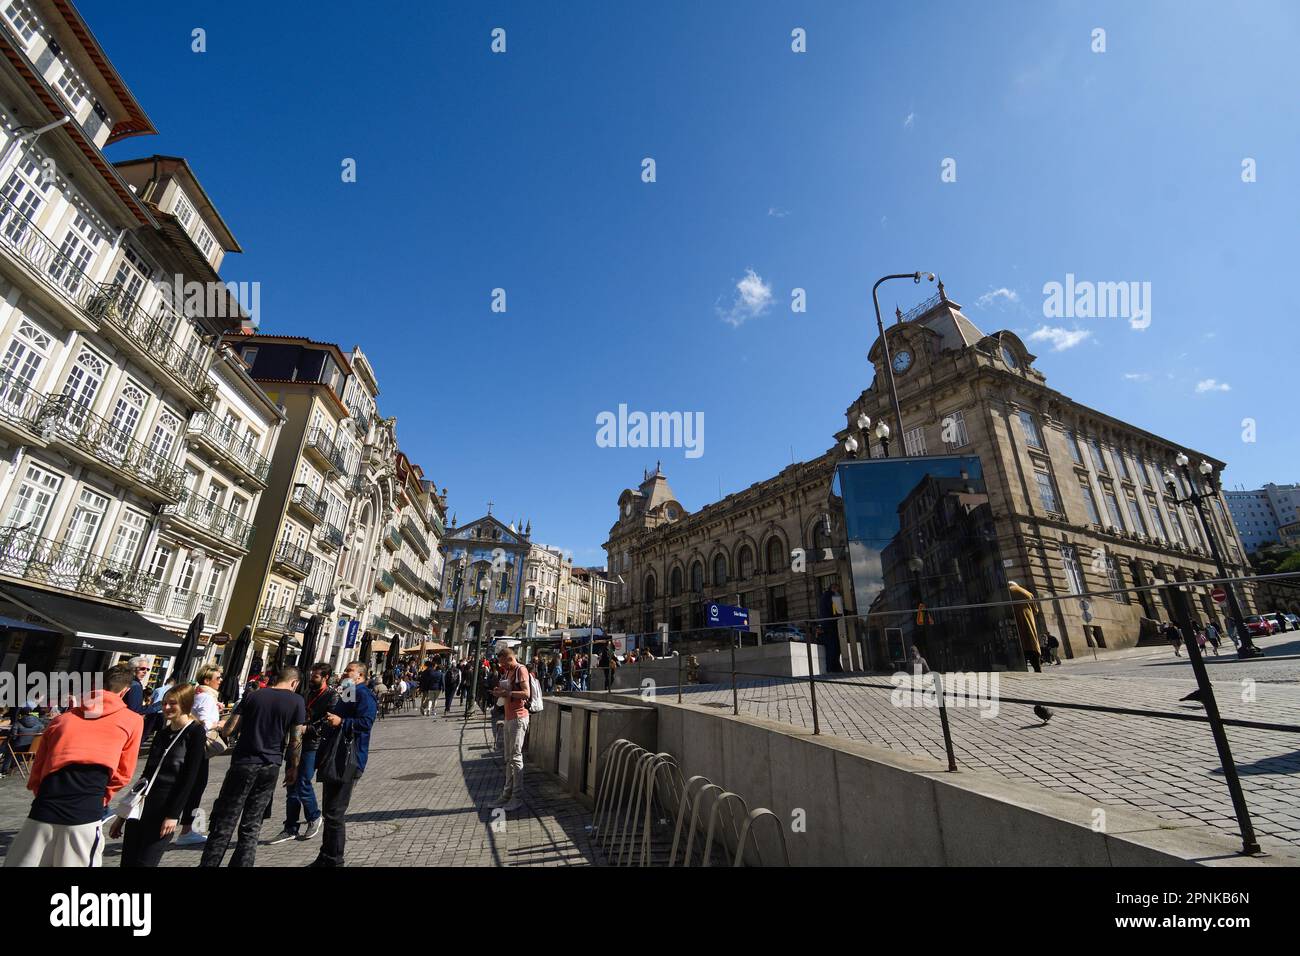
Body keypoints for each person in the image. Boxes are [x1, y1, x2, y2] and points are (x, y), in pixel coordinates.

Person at [4, 664, 142, 868]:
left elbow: (39, 764)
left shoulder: (63, 719)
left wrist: (40, 792)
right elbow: (124, 772)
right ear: (125, 691)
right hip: (87, 801)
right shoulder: (133, 721)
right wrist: (101, 797)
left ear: (97, 685)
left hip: (47, 801)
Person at [199, 667, 306, 868]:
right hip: (271, 765)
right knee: (252, 823)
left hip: (243, 763)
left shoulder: (253, 695)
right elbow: (295, 740)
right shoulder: (296, 701)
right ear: (294, 683)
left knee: (225, 821)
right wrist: (293, 767)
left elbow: (230, 729)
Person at [111, 684, 206, 867]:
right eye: (164, 703)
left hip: (165, 806)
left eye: (172, 703)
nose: (166, 708)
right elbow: (146, 775)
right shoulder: (162, 734)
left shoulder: (195, 732)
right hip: (142, 805)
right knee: (128, 862)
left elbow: (189, 778)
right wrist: (122, 815)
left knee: (146, 862)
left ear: (185, 704)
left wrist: (173, 814)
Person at [309, 660, 377, 867]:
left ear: (361, 677)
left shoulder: (364, 694)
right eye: (346, 669)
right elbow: (341, 712)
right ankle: (325, 856)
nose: (345, 672)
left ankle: (334, 860)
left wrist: (342, 722)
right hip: (334, 755)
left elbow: (366, 722)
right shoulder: (349, 691)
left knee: (335, 812)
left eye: (350, 670)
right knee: (330, 810)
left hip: (349, 758)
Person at [269, 662, 338, 845]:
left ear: (325, 678)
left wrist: (308, 729)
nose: (312, 679)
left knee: (302, 781)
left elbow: (327, 721)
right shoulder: (305, 694)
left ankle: (314, 816)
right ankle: (290, 827)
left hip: (313, 745)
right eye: (311, 675)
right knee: (291, 784)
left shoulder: (332, 696)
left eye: (316, 676)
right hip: (295, 743)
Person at [175, 664, 224, 847]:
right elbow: (202, 724)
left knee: (191, 786)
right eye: (218, 678)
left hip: (191, 747)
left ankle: (187, 828)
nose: (221, 681)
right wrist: (218, 724)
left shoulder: (198, 695)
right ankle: (187, 831)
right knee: (196, 787)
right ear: (207, 680)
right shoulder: (206, 698)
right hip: (198, 749)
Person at [492, 646, 531, 813]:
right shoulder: (508, 672)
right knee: (508, 758)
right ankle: (506, 794)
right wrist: (500, 692)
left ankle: (517, 797)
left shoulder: (520, 670)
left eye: (503, 663)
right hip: (508, 717)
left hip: (519, 717)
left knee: (515, 757)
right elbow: (509, 692)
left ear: (509, 659)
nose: (502, 667)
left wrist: (507, 693)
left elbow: (526, 694)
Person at [0, 703, 46, 776]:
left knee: (9, 747)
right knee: (11, 746)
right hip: (32, 748)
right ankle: (13, 765)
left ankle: (4, 770)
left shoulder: (17, 723)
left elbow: (13, 737)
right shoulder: (39, 724)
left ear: (20, 714)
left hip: (19, 748)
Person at [1008, 581, 1042, 673]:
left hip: (1014, 626)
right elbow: (1036, 611)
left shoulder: (1007, 592)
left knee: (1021, 646)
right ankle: (1037, 669)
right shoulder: (1027, 593)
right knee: (1032, 644)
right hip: (1029, 624)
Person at [141, 674, 175, 745]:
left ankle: (140, 742)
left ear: (166, 682)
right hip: (163, 712)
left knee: (147, 729)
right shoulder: (172, 692)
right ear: (173, 684)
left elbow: (151, 700)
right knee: (161, 730)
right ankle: (157, 744)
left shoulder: (158, 689)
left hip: (153, 710)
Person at [818, 583, 845, 673]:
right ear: (834, 588)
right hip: (831, 625)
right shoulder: (833, 596)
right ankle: (833, 669)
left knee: (831, 648)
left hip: (825, 625)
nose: (838, 592)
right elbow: (837, 611)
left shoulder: (824, 596)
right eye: (837, 589)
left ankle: (833, 668)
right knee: (834, 648)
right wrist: (847, 613)